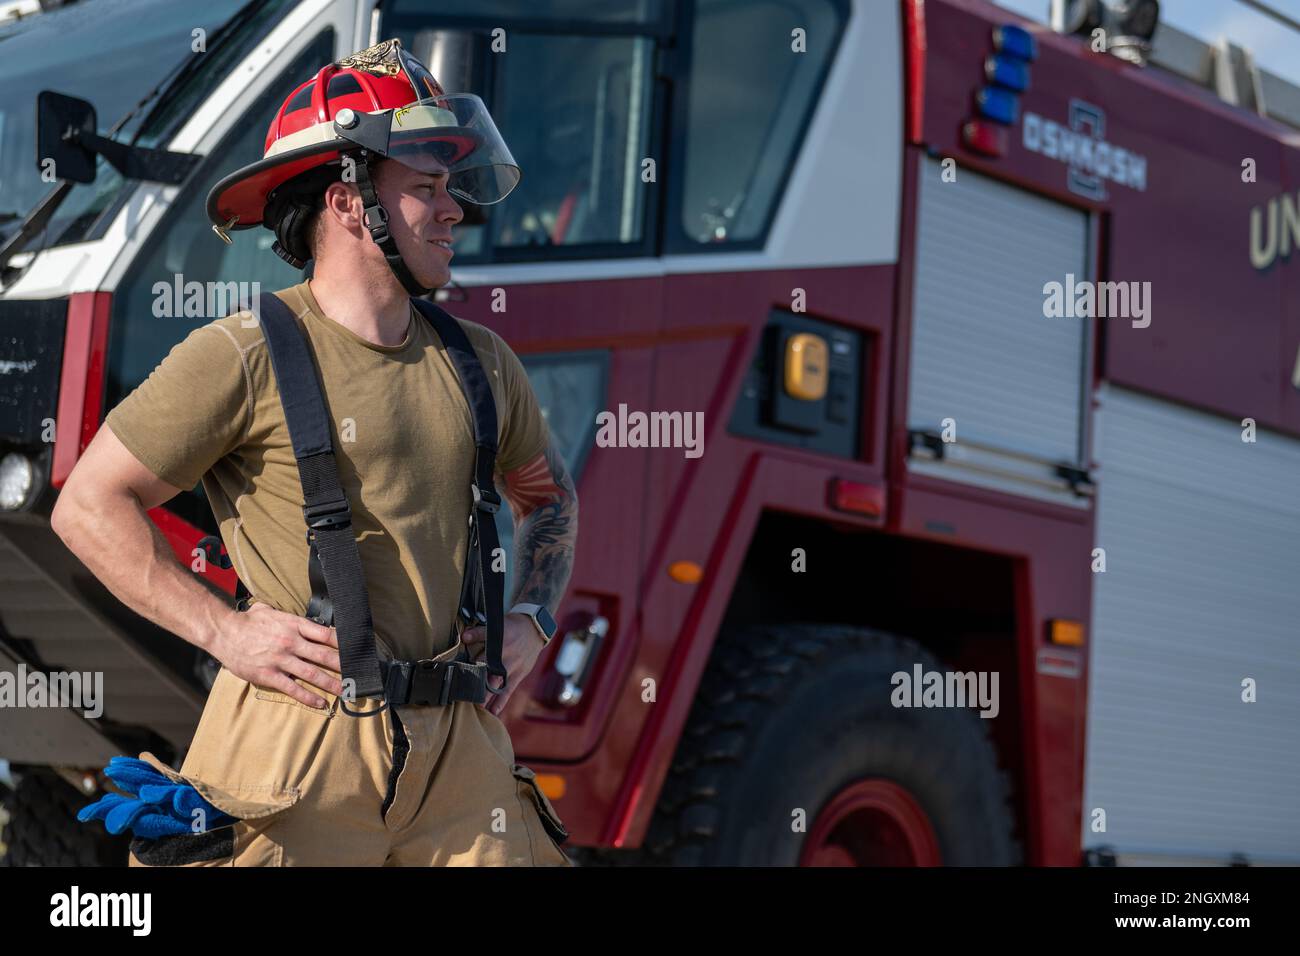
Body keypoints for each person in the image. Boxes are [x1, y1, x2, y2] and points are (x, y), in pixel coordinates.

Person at [51, 39, 579, 866]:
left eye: (451, 189)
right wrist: (224, 633)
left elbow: (548, 498)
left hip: (462, 755)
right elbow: (86, 506)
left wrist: (532, 619)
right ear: (346, 200)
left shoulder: (482, 360)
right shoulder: (237, 355)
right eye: (426, 189)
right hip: (294, 746)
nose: (454, 211)